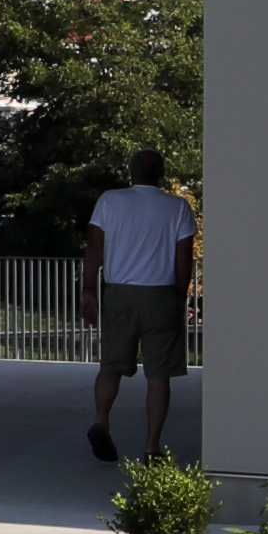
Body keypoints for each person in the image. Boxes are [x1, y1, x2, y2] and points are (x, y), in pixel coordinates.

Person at [83, 163, 199, 463]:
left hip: (119, 293)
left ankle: (100, 420)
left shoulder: (110, 200)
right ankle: (151, 446)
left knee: (110, 365)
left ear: (131, 172)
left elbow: (94, 248)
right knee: (159, 375)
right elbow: (184, 256)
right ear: (160, 173)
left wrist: (88, 290)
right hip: (161, 294)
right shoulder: (177, 207)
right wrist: (180, 295)